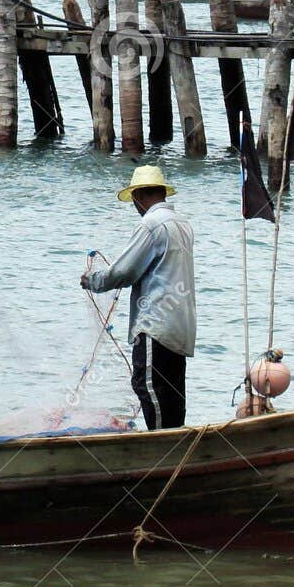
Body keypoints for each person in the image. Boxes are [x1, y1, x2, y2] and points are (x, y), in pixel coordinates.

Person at [81, 164, 195, 430]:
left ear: (139, 196)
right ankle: (176, 442)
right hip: (181, 326)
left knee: (147, 384)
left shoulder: (152, 224)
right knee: (172, 394)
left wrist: (92, 280)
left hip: (156, 324)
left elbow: (124, 271)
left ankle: (161, 448)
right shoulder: (183, 224)